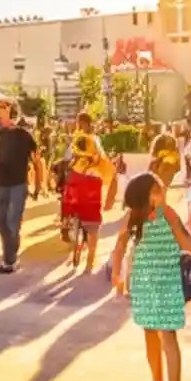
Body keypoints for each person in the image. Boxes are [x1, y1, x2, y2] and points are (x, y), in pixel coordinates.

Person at [110, 173, 191, 381]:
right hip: (144, 283)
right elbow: (120, 245)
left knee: (167, 335)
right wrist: (117, 274)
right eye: (157, 190)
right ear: (145, 194)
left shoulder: (167, 213)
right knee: (150, 334)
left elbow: (186, 242)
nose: (162, 193)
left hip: (167, 282)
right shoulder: (133, 217)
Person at [0, 98, 47, 273]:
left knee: (13, 222)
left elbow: (37, 159)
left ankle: (9, 260)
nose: (0, 112)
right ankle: (11, 250)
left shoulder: (23, 135)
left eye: (3, 109)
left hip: (18, 184)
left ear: (11, 111)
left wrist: (38, 185)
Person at [64, 111, 118, 273]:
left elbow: (100, 158)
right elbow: (68, 156)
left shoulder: (93, 140)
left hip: (90, 184)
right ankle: (68, 225)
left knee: (92, 225)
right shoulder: (77, 139)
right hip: (79, 181)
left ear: (88, 124)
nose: (79, 126)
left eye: (81, 123)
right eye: (77, 123)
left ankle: (89, 263)